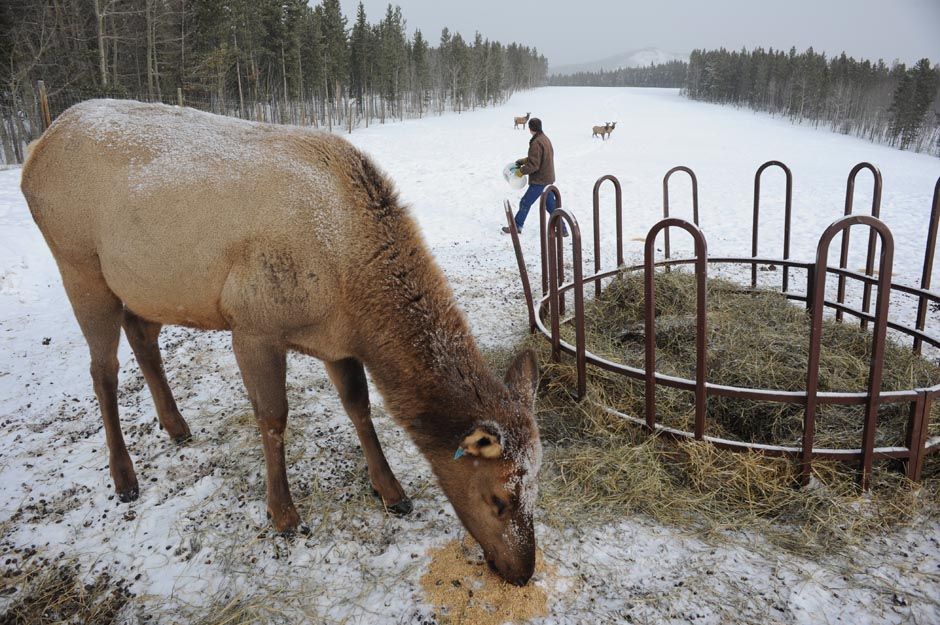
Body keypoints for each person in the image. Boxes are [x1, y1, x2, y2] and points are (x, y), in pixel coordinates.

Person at [502, 117, 565, 235]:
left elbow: (534, 165)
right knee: (551, 206)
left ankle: (516, 226)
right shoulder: (544, 138)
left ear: (530, 128)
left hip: (540, 180)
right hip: (547, 177)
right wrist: (524, 160)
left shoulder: (536, 142)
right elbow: (539, 157)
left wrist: (520, 171)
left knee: (525, 202)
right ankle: (563, 229)